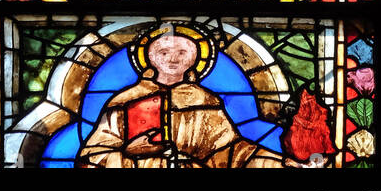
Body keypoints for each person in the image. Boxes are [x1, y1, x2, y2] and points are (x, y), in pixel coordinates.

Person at [76, 27, 283, 169]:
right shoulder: (126, 102)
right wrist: (130, 154)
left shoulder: (205, 102)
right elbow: (92, 156)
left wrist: (281, 163)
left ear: (194, 59)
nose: (173, 58)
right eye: (163, 52)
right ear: (151, 57)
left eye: (182, 52)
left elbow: (233, 152)